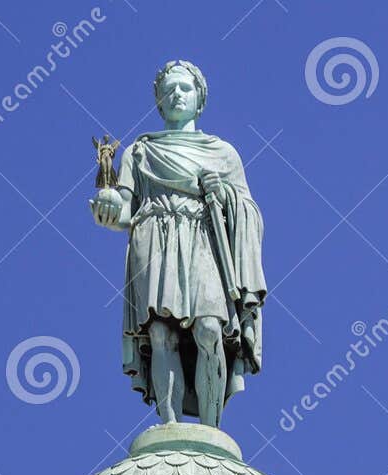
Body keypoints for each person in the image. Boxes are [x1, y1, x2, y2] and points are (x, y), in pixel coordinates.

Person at [90, 60, 266, 427]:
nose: (176, 94)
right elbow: (125, 210)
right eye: (168, 89)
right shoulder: (139, 151)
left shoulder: (223, 153)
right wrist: (108, 210)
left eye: (185, 88)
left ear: (200, 101)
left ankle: (208, 425)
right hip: (153, 234)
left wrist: (226, 197)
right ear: (158, 102)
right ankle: (169, 424)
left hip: (202, 235)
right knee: (160, 332)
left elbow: (251, 214)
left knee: (209, 329)